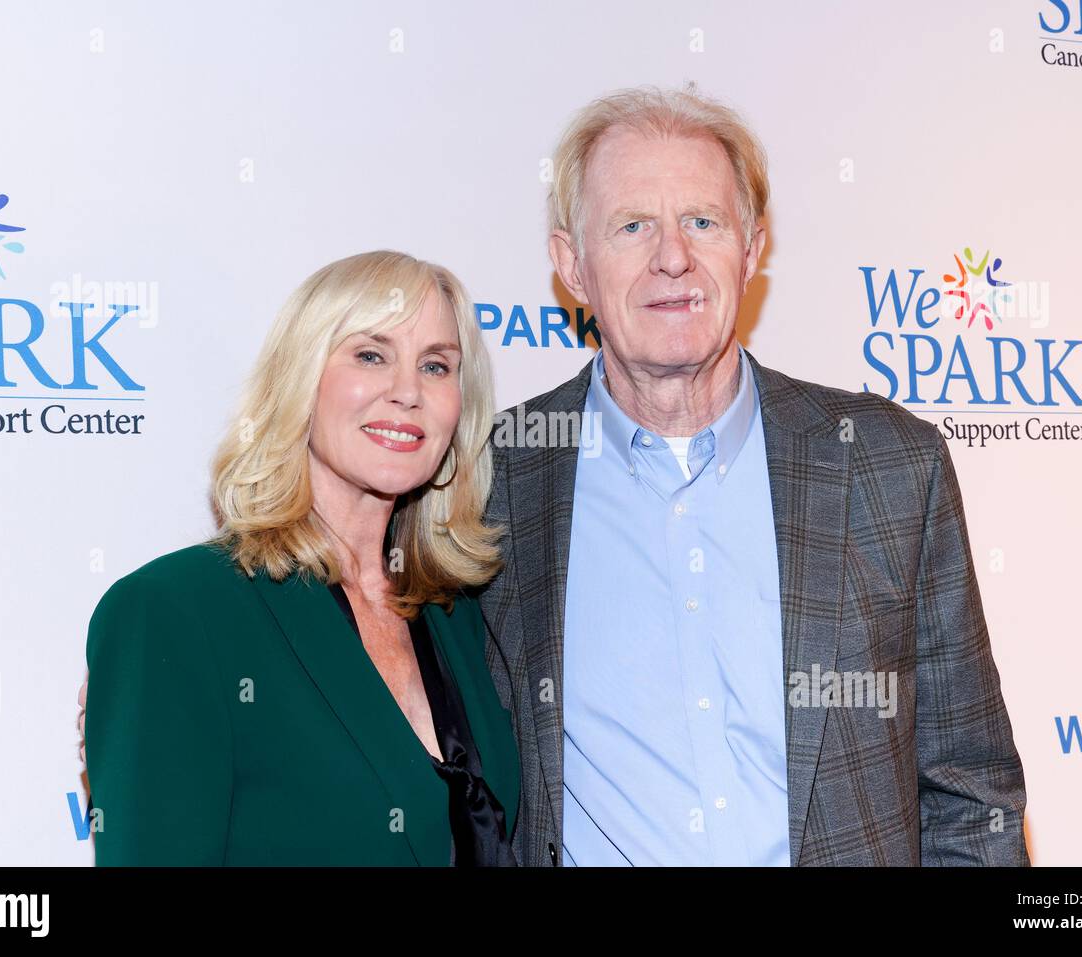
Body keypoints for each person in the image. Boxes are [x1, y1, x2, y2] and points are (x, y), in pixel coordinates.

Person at [477, 85, 1031, 866]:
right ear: (572, 266)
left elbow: (973, 796)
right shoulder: (494, 480)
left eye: (703, 221)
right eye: (632, 225)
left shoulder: (891, 466)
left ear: (752, 247)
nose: (674, 256)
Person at [81, 250, 519, 865]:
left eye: (436, 365)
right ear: (300, 380)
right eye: (371, 355)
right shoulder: (175, 611)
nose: (408, 392)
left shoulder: (456, 614)